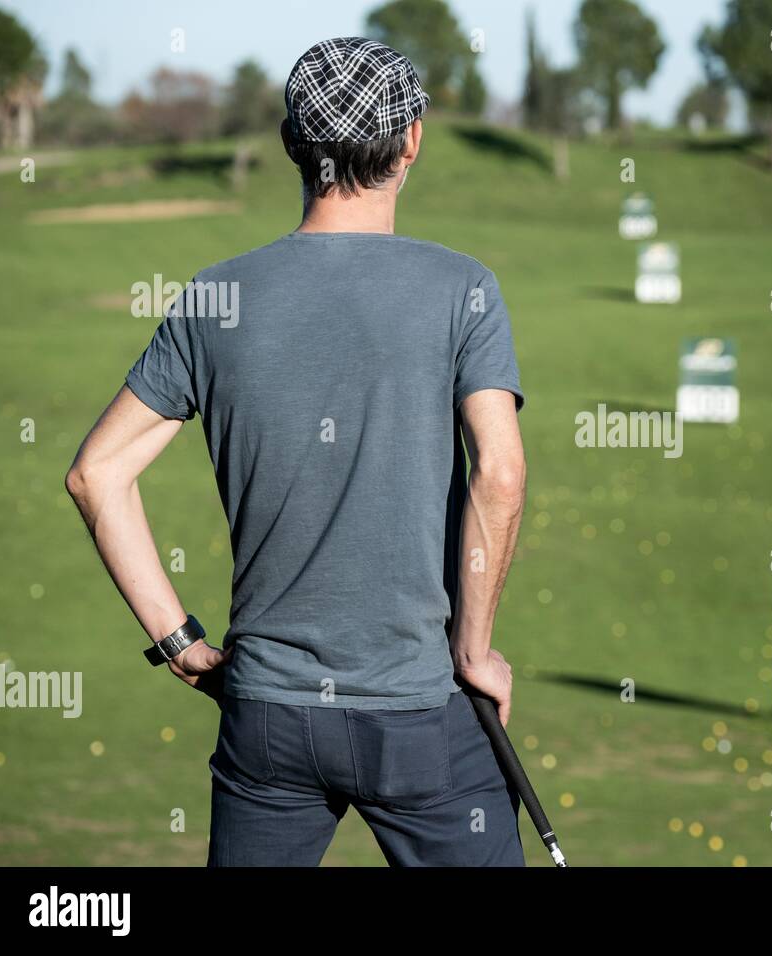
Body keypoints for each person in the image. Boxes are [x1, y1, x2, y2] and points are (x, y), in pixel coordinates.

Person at [64, 37, 528, 866]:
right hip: (423, 715)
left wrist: (180, 643)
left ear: (290, 143)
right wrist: (475, 651)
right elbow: (500, 470)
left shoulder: (215, 297)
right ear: (413, 139)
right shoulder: (466, 288)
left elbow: (97, 474)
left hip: (266, 724)